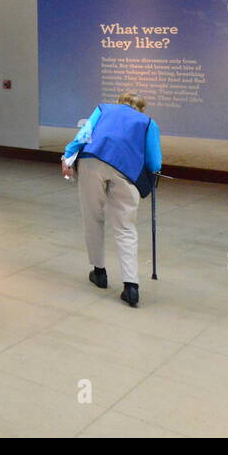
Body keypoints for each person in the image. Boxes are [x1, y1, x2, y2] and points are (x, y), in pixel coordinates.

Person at [61, 92, 162, 308]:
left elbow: (83, 135)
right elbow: (154, 163)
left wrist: (67, 156)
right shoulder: (148, 123)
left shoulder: (103, 109)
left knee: (93, 217)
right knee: (126, 227)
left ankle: (99, 273)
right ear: (140, 109)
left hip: (92, 162)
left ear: (120, 102)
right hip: (127, 171)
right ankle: (131, 286)